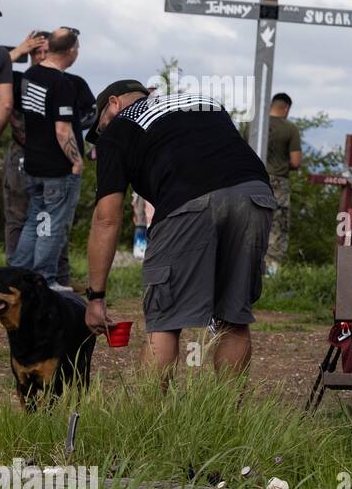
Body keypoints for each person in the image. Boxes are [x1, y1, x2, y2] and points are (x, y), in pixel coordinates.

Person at [83, 83, 276, 377]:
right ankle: (230, 418)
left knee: (164, 320)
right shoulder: (203, 101)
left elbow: (106, 219)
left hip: (187, 201)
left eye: (101, 125)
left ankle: (152, 420)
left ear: (114, 104)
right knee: (233, 317)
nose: (102, 136)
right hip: (254, 195)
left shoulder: (119, 128)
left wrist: (96, 297)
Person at [9, 28, 86, 289]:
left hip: (34, 163)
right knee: (52, 225)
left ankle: (18, 275)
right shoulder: (61, 83)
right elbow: (62, 129)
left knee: (35, 221)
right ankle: (46, 279)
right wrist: (76, 161)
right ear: (71, 51)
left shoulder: (31, 75)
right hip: (57, 168)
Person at [0, 29, 50, 258]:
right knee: (16, 215)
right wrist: (18, 50)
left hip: (51, 159)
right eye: (36, 51)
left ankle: (48, 273)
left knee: (48, 217)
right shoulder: (16, 79)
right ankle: (14, 272)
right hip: (20, 154)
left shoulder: (67, 83)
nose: (41, 56)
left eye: (47, 51)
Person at [264, 92, 302, 274]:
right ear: (286, 108)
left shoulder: (255, 126)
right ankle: (272, 273)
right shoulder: (290, 129)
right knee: (278, 226)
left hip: (254, 180)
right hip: (279, 183)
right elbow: (296, 162)